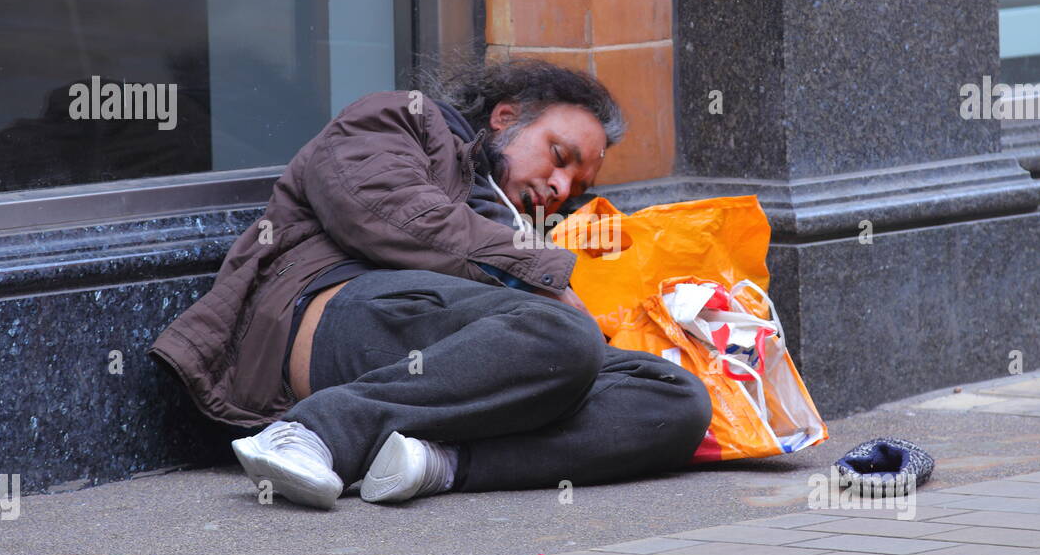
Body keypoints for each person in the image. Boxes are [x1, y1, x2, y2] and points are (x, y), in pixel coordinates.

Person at [149, 58, 713, 509]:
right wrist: (541, 277)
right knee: (562, 333)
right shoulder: (399, 118)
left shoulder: (521, 224)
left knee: (676, 399)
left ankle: (434, 462)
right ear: (505, 117)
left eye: (578, 182)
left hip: (474, 352)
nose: (561, 186)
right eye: (558, 157)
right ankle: (314, 431)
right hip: (339, 310)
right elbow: (381, 209)